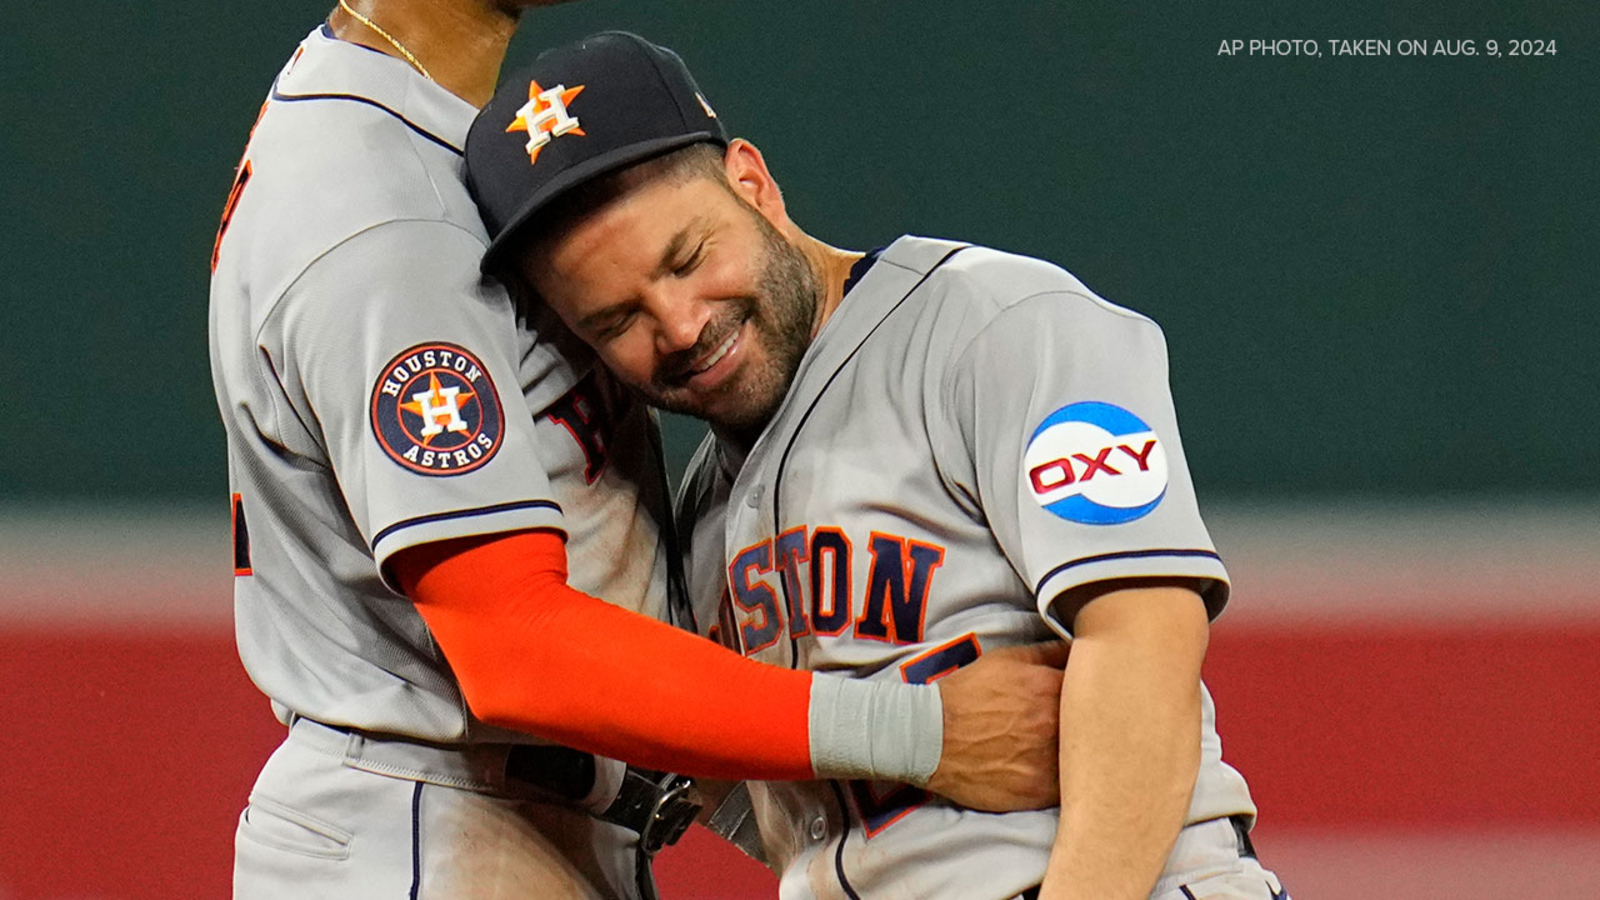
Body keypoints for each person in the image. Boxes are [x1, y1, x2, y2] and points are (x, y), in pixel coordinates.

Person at [208, 5, 1066, 899]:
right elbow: (512, 644)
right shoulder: (384, 214)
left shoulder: (391, 127)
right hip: (431, 832)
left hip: (503, 825)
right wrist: (916, 735)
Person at [464, 31, 1290, 900]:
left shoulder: (999, 325)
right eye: (613, 320)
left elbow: (1144, 641)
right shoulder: (703, 509)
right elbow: (780, 813)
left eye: (688, 258)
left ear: (752, 182)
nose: (676, 324)